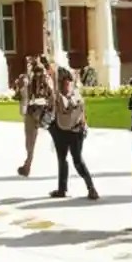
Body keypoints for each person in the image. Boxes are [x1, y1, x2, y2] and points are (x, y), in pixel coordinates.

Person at [48, 67, 98, 200]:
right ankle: (62, 189)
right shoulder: (66, 95)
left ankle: (91, 187)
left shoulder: (71, 96)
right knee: (63, 159)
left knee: (77, 160)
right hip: (65, 131)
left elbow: (75, 110)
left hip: (72, 131)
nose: (66, 84)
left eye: (68, 81)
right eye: (64, 82)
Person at [16, 57, 54, 177]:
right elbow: (21, 95)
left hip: (40, 113)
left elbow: (51, 97)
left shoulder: (47, 81)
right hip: (32, 112)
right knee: (29, 141)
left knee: (31, 141)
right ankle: (27, 164)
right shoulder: (28, 81)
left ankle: (28, 165)